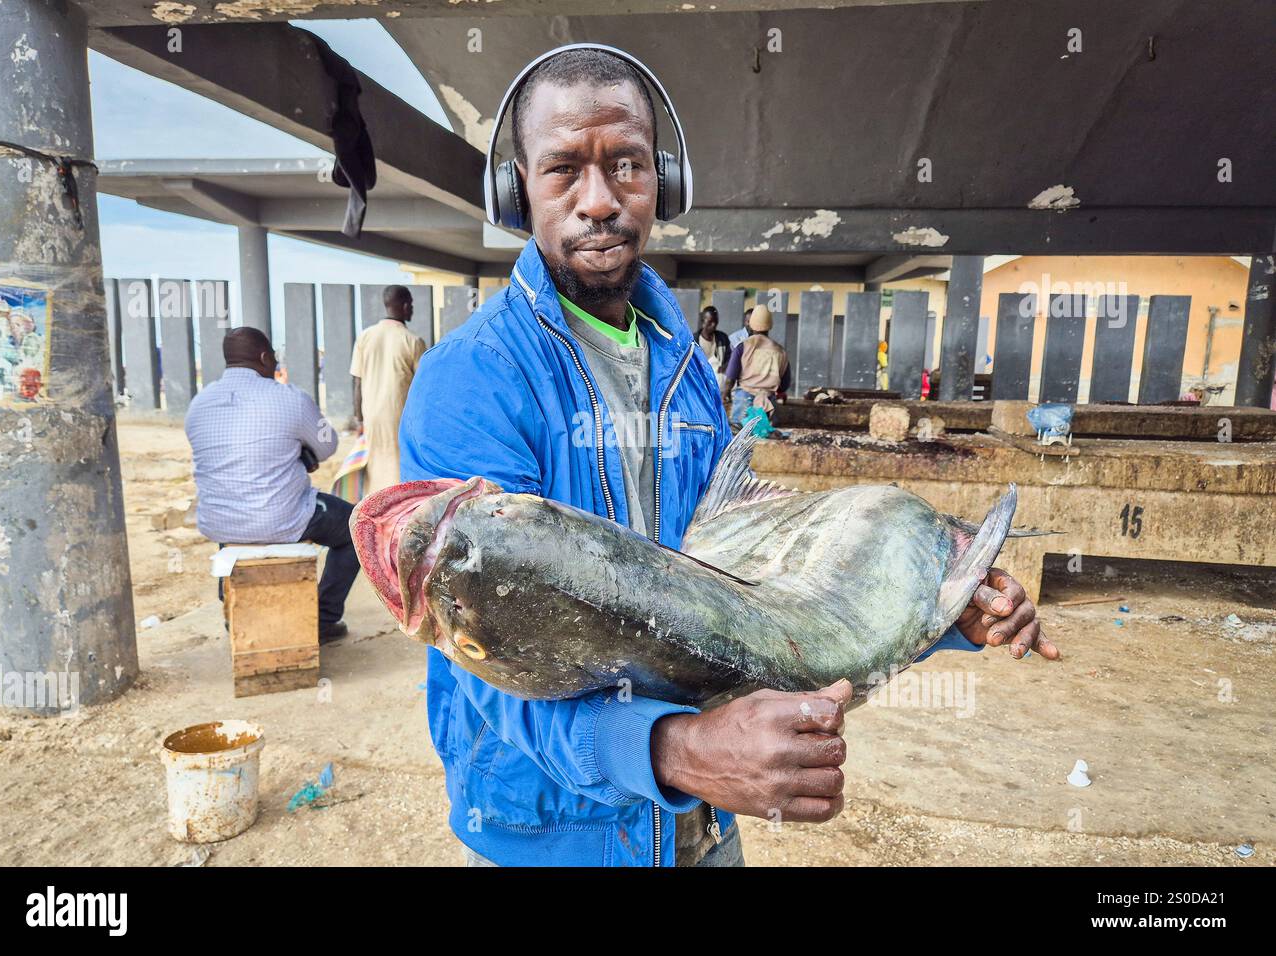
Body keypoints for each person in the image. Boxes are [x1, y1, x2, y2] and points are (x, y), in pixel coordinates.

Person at [399, 45, 1057, 869]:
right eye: (563, 169)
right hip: (552, 837)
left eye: (627, 164)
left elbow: (748, 588)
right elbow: (484, 658)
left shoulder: (683, 363)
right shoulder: (472, 380)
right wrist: (670, 751)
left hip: (701, 826)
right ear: (516, 189)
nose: (598, 201)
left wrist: (939, 608)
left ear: (662, 182)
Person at [185, 327, 357, 641]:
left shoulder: (199, 404)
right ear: (265, 358)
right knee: (356, 528)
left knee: (237, 515)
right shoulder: (288, 398)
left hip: (220, 522)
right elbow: (327, 445)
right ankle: (323, 619)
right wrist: (301, 454)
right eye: (274, 358)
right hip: (281, 518)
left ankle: (235, 613)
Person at [350, 285, 427, 496]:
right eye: (410, 304)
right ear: (403, 306)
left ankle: (373, 505)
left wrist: (359, 419)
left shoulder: (365, 337)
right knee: (397, 465)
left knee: (375, 465)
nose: (411, 308)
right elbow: (422, 388)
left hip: (371, 414)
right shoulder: (413, 341)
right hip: (399, 415)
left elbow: (357, 382)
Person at [722, 304, 792, 425]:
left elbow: (730, 378)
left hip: (743, 403)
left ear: (751, 323)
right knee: (766, 440)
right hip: (768, 406)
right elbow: (784, 385)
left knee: (739, 438)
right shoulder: (780, 351)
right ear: (770, 325)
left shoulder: (742, 347)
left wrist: (726, 393)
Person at [694, 304, 730, 385]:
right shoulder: (694, 341)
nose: (714, 325)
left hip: (719, 381)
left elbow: (730, 358)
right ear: (703, 321)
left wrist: (724, 367)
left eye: (715, 322)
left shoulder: (723, 339)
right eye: (710, 322)